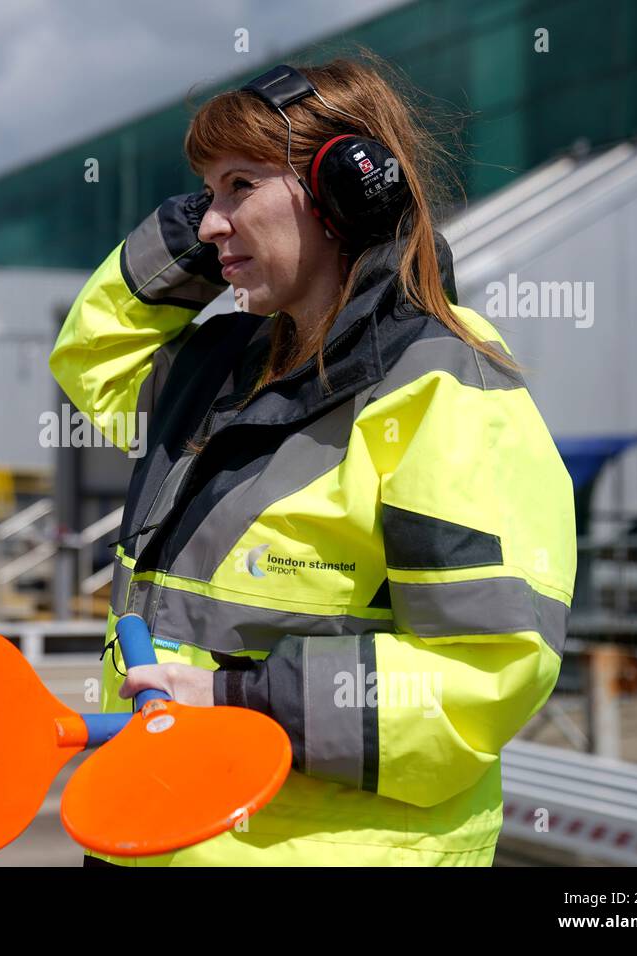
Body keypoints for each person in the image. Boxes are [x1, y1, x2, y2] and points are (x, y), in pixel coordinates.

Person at [49, 56, 576, 866]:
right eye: (206, 194)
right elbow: (94, 362)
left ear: (342, 194)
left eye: (240, 186)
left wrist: (234, 701)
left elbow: (484, 672)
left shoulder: (443, 389)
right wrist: (212, 227)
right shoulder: (222, 366)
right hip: (156, 834)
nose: (211, 223)